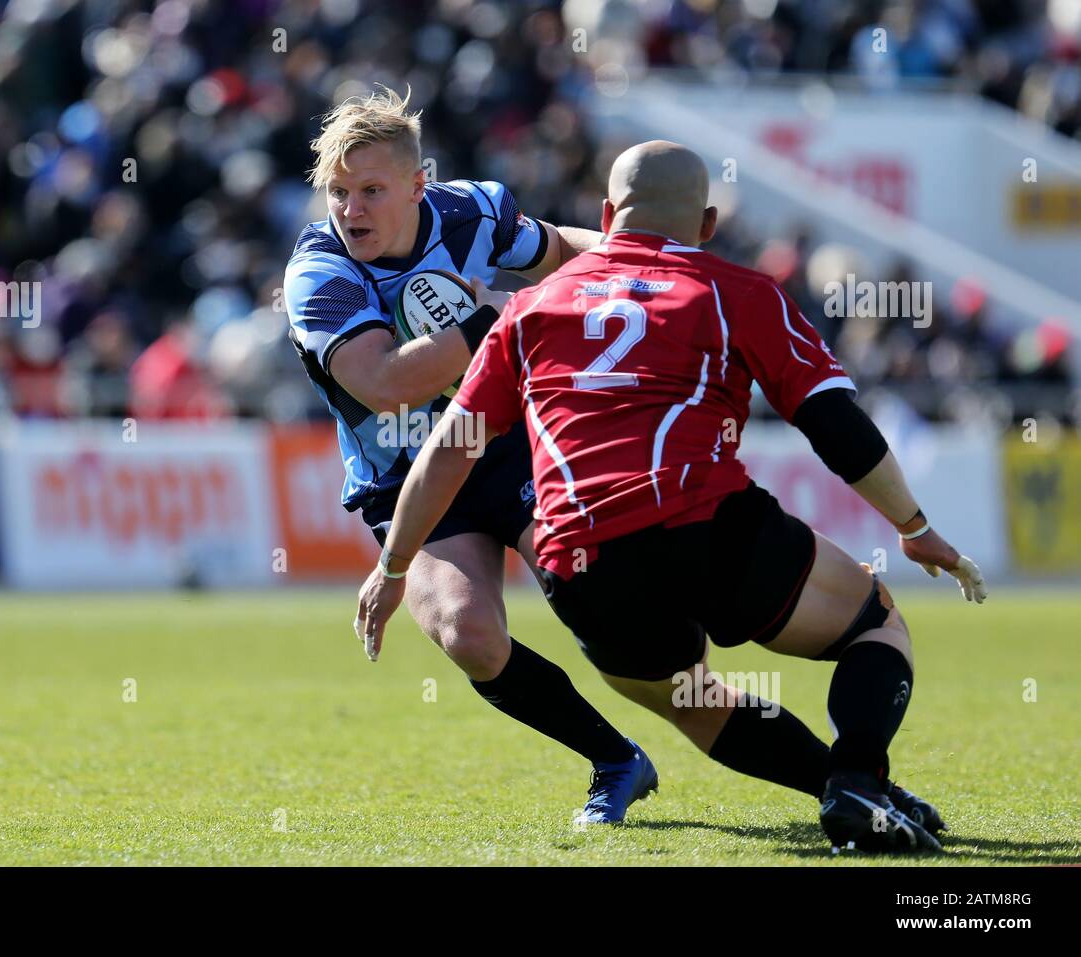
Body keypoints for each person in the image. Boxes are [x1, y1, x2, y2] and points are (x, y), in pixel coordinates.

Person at [355, 141, 987, 851]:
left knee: (695, 703)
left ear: (604, 215)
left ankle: (848, 790)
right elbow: (833, 421)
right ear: (708, 222)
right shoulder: (737, 291)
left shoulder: (529, 306)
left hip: (580, 559)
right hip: (706, 526)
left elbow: (448, 449)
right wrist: (912, 523)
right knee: (876, 623)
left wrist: (395, 564)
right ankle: (859, 783)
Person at [284, 87, 656, 823]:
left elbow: (557, 251)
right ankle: (617, 760)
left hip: (503, 443)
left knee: (590, 590)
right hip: (402, 477)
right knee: (469, 634)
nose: (350, 209)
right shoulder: (318, 273)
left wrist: (644, 268)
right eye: (338, 191)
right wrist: (494, 319)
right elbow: (385, 383)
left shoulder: (472, 212)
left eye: (371, 190)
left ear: (419, 185)